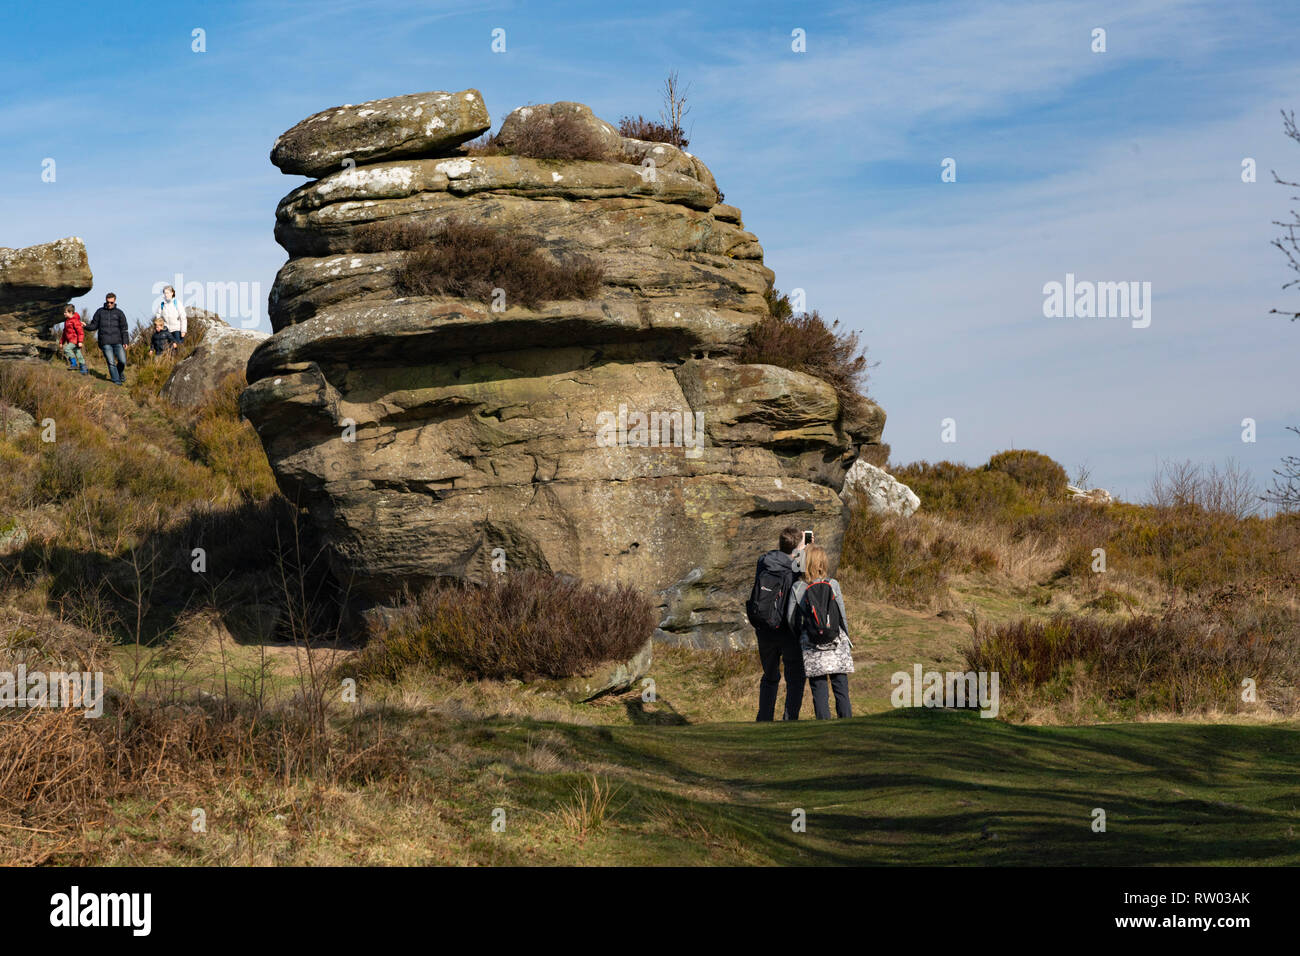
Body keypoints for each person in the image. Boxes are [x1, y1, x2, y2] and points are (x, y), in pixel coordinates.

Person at [788, 544, 854, 720]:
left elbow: (791, 619)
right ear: (823, 563)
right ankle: (847, 721)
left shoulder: (797, 587)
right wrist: (847, 637)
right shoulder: (833, 584)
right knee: (841, 686)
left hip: (811, 642)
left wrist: (800, 638)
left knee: (819, 688)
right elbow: (841, 615)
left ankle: (823, 723)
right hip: (835, 641)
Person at [747, 525, 806, 721]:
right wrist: (804, 552)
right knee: (795, 678)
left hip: (764, 627)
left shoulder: (764, 562)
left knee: (770, 675)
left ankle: (764, 718)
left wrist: (798, 550)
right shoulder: (796, 567)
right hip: (788, 629)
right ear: (798, 548)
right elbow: (805, 576)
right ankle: (789, 719)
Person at [85, 292, 130, 385]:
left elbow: (124, 329)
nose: (109, 304)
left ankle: (120, 373)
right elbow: (94, 326)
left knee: (122, 361)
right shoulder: (100, 312)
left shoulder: (119, 313)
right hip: (105, 342)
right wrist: (85, 326)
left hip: (118, 342)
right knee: (111, 362)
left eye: (111, 302)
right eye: (108, 302)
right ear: (106, 301)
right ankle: (116, 380)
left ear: (115, 301)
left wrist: (125, 341)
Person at [58, 304, 88, 374]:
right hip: (71, 341)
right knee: (78, 354)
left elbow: (80, 332)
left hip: (75, 340)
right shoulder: (67, 321)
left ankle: (74, 364)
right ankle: (84, 369)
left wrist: (80, 341)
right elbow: (64, 333)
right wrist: (61, 342)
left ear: (71, 312)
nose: (64, 314)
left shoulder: (75, 321)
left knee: (67, 349)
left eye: (65, 312)